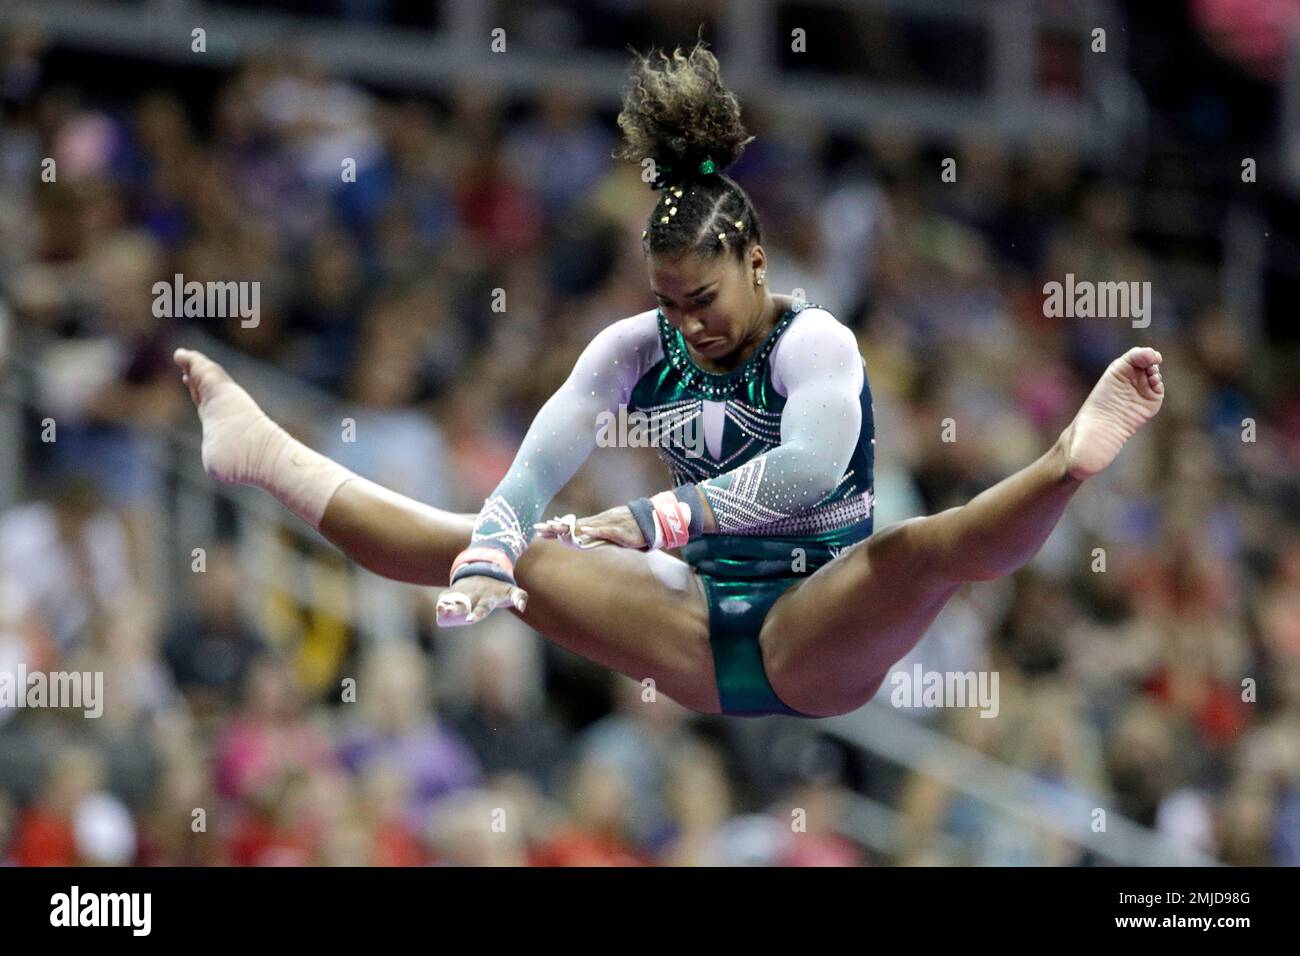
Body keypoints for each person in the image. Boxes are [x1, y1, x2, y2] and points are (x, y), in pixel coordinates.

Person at [172, 41, 1164, 720]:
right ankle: (262, 454)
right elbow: (534, 468)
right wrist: (493, 542)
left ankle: (1063, 465)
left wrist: (652, 520)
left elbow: (809, 471)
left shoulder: (816, 347)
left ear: (757, 262)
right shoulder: (631, 348)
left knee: (918, 552)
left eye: (705, 297)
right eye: (669, 300)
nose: (688, 323)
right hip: (697, 638)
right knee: (476, 544)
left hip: (818, 629)